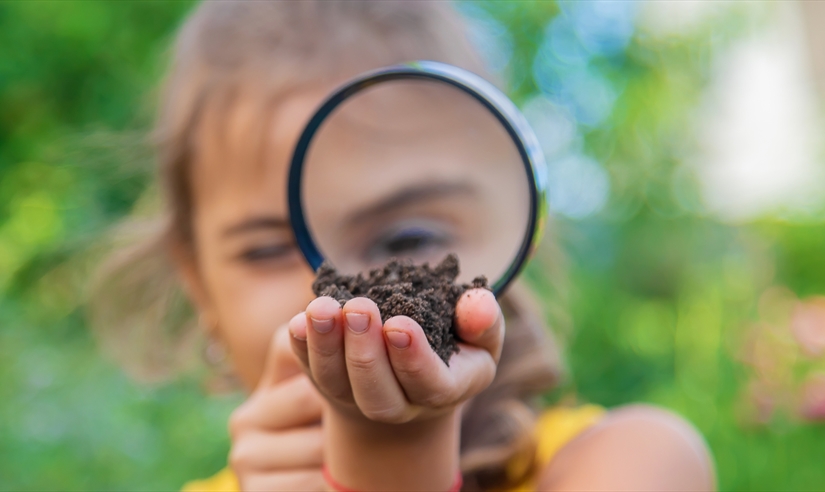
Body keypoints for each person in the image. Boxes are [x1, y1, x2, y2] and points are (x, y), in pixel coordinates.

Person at [91, 2, 715, 491]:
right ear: (199, 287)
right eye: (266, 249)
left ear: (509, 233)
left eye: (409, 238)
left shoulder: (635, 465)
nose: (344, 286)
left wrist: (390, 453)